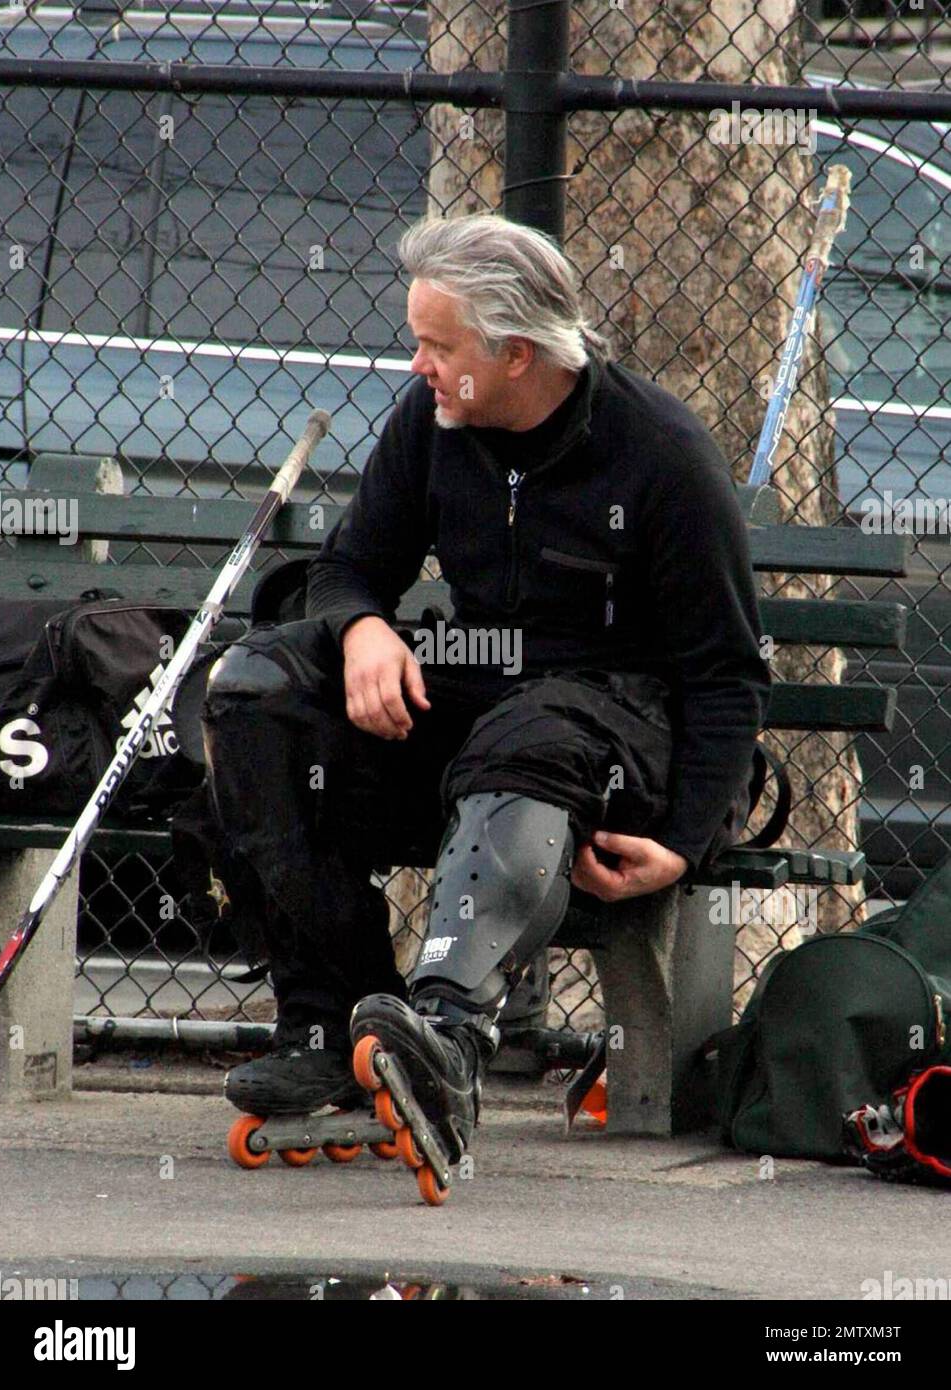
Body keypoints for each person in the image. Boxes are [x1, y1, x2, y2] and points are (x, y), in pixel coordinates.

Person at [201, 211, 770, 1166]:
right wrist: (364, 630)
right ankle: (333, 1023)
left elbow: (726, 671)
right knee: (256, 689)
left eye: (435, 344)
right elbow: (347, 568)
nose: (416, 364)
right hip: (479, 721)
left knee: (527, 733)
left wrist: (681, 843)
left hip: (621, 734)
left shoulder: (659, 454)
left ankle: (446, 1034)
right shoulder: (433, 421)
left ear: (513, 353)